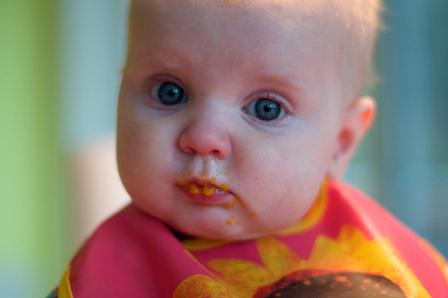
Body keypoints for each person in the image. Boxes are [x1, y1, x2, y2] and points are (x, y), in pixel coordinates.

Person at [49, 0, 448, 297]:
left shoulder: (389, 253)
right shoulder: (108, 269)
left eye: (266, 108)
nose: (203, 137)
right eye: (170, 92)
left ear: (340, 144)